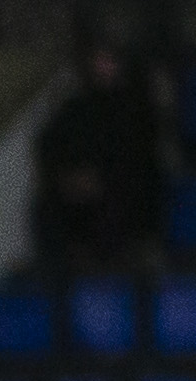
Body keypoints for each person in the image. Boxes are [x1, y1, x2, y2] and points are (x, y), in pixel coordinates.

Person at [33, 44, 165, 266]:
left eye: (108, 61)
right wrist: (68, 176)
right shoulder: (77, 106)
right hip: (78, 185)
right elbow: (50, 143)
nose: (101, 67)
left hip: (121, 187)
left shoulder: (136, 108)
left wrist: (101, 178)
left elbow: (138, 155)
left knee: (117, 205)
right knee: (48, 207)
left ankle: (110, 268)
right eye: (98, 60)